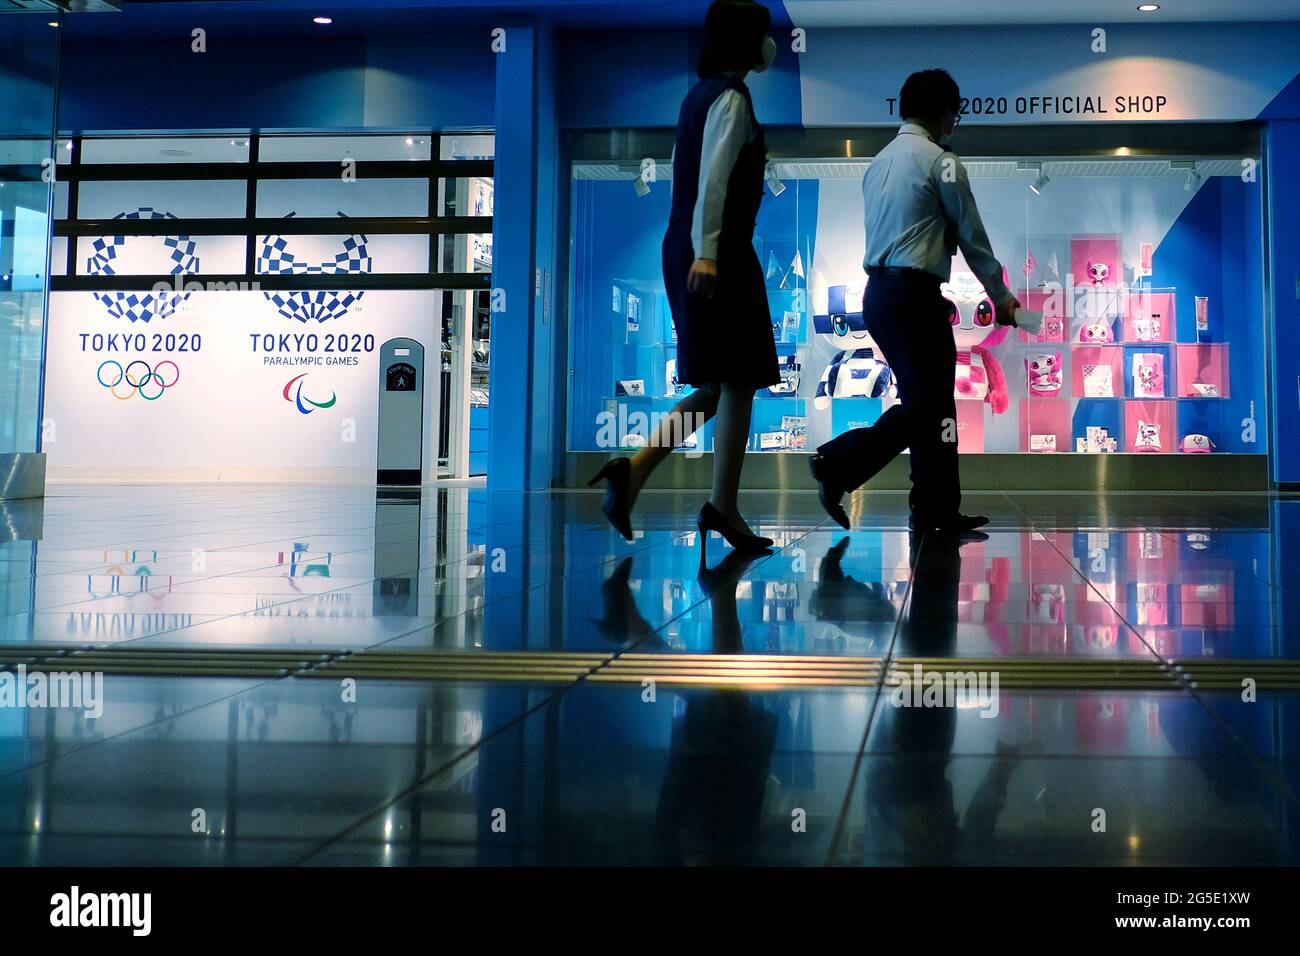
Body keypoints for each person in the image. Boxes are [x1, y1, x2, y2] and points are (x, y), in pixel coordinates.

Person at [589, 0, 777, 554]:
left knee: (717, 384)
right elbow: (713, 180)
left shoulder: (695, 98)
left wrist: (699, 248)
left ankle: (637, 471)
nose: (772, 46)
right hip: (717, 247)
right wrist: (711, 252)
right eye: (765, 35)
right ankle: (722, 507)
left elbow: (688, 176)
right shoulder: (731, 98)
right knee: (739, 379)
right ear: (746, 41)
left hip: (690, 242)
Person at [808, 69, 1020, 533]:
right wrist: (1000, 297)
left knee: (931, 402)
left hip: (880, 295)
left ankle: (935, 507)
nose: (955, 122)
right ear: (944, 111)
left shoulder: (879, 162)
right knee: (929, 405)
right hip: (914, 297)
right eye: (955, 112)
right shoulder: (941, 161)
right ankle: (839, 465)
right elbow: (971, 234)